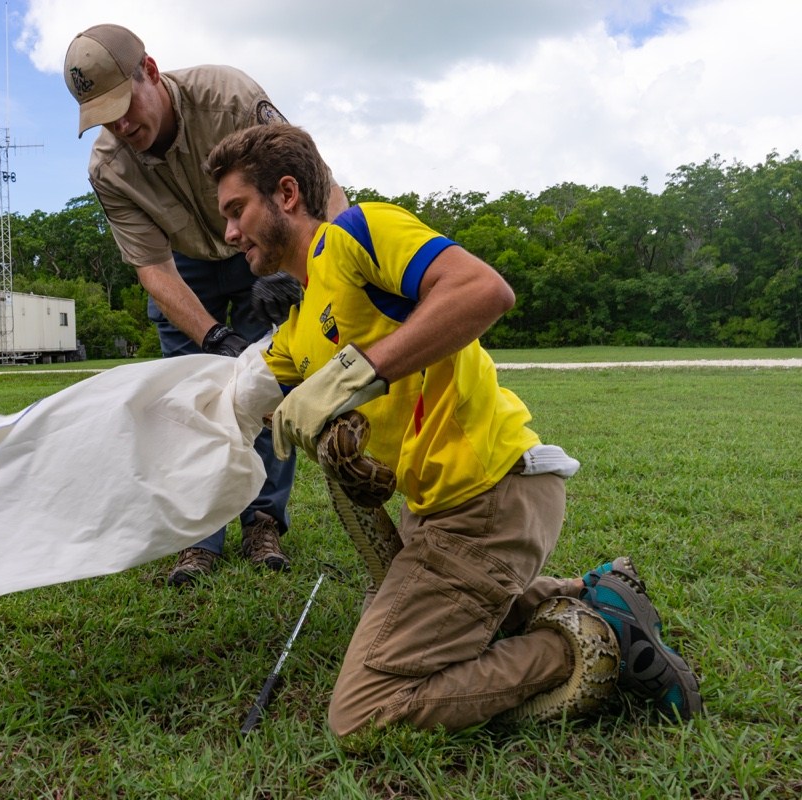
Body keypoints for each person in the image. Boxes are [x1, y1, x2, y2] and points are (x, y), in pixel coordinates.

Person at [204, 123, 703, 734]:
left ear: (286, 195)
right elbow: (232, 393)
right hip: (434, 513)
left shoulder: (357, 232)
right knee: (400, 608)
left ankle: (599, 641)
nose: (229, 233)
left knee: (362, 712)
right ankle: (591, 592)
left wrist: (354, 374)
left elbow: (482, 290)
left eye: (237, 210)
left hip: (489, 499)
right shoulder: (297, 328)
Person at [62, 23, 348, 585]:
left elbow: (317, 185)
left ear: (149, 71)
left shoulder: (230, 97)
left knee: (267, 389)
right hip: (185, 265)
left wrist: (314, 269)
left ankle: (263, 522)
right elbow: (152, 267)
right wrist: (215, 337)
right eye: (104, 118)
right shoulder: (108, 168)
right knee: (187, 402)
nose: (121, 127)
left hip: (262, 245)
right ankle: (198, 535)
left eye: (124, 107)